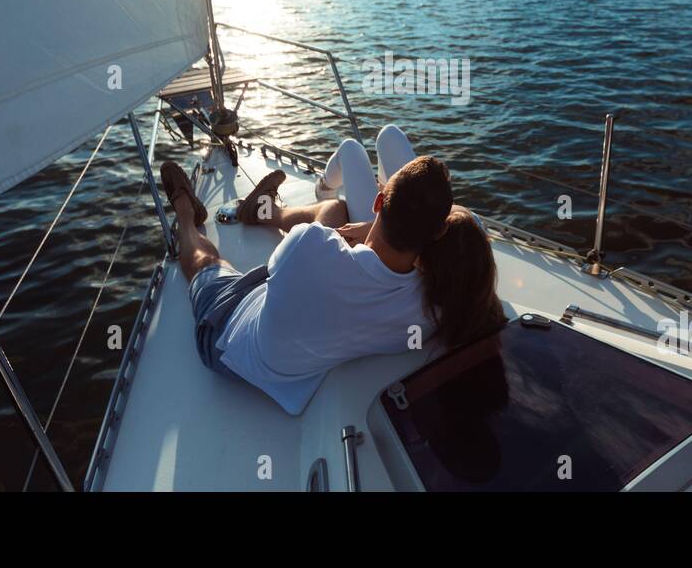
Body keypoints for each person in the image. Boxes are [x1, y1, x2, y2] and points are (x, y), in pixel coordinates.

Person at [159, 126, 504, 415]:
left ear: (379, 201)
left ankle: (186, 215)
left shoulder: (309, 247)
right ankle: (265, 212)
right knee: (335, 212)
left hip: (231, 337)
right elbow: (466, 226)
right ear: (438, 233)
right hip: (288, 299)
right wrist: (364, 239)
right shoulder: (436, 305)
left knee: (208, 264)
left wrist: (360, 236)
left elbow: (299, 262)